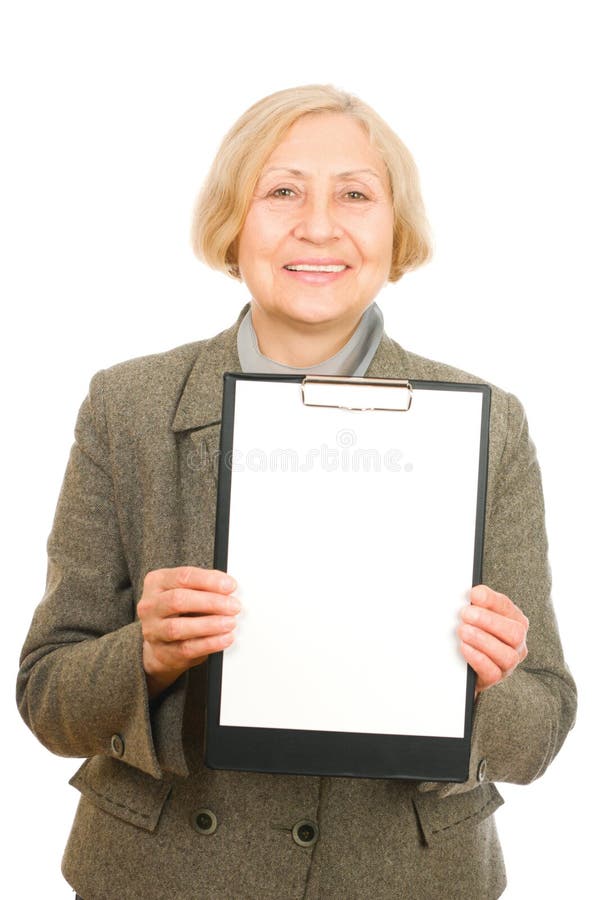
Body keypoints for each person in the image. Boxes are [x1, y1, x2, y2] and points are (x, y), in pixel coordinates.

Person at [17, 84, 576, 900]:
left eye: (355, 194)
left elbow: (541, 727)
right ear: (233, 221)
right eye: (281, 191)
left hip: (408, 879)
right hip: (167, 874)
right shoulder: (126, 407)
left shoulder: (491, 427)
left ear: (396, 229)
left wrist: (490, 679)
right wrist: (146, 653)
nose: (319, 224)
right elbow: (47, 697)